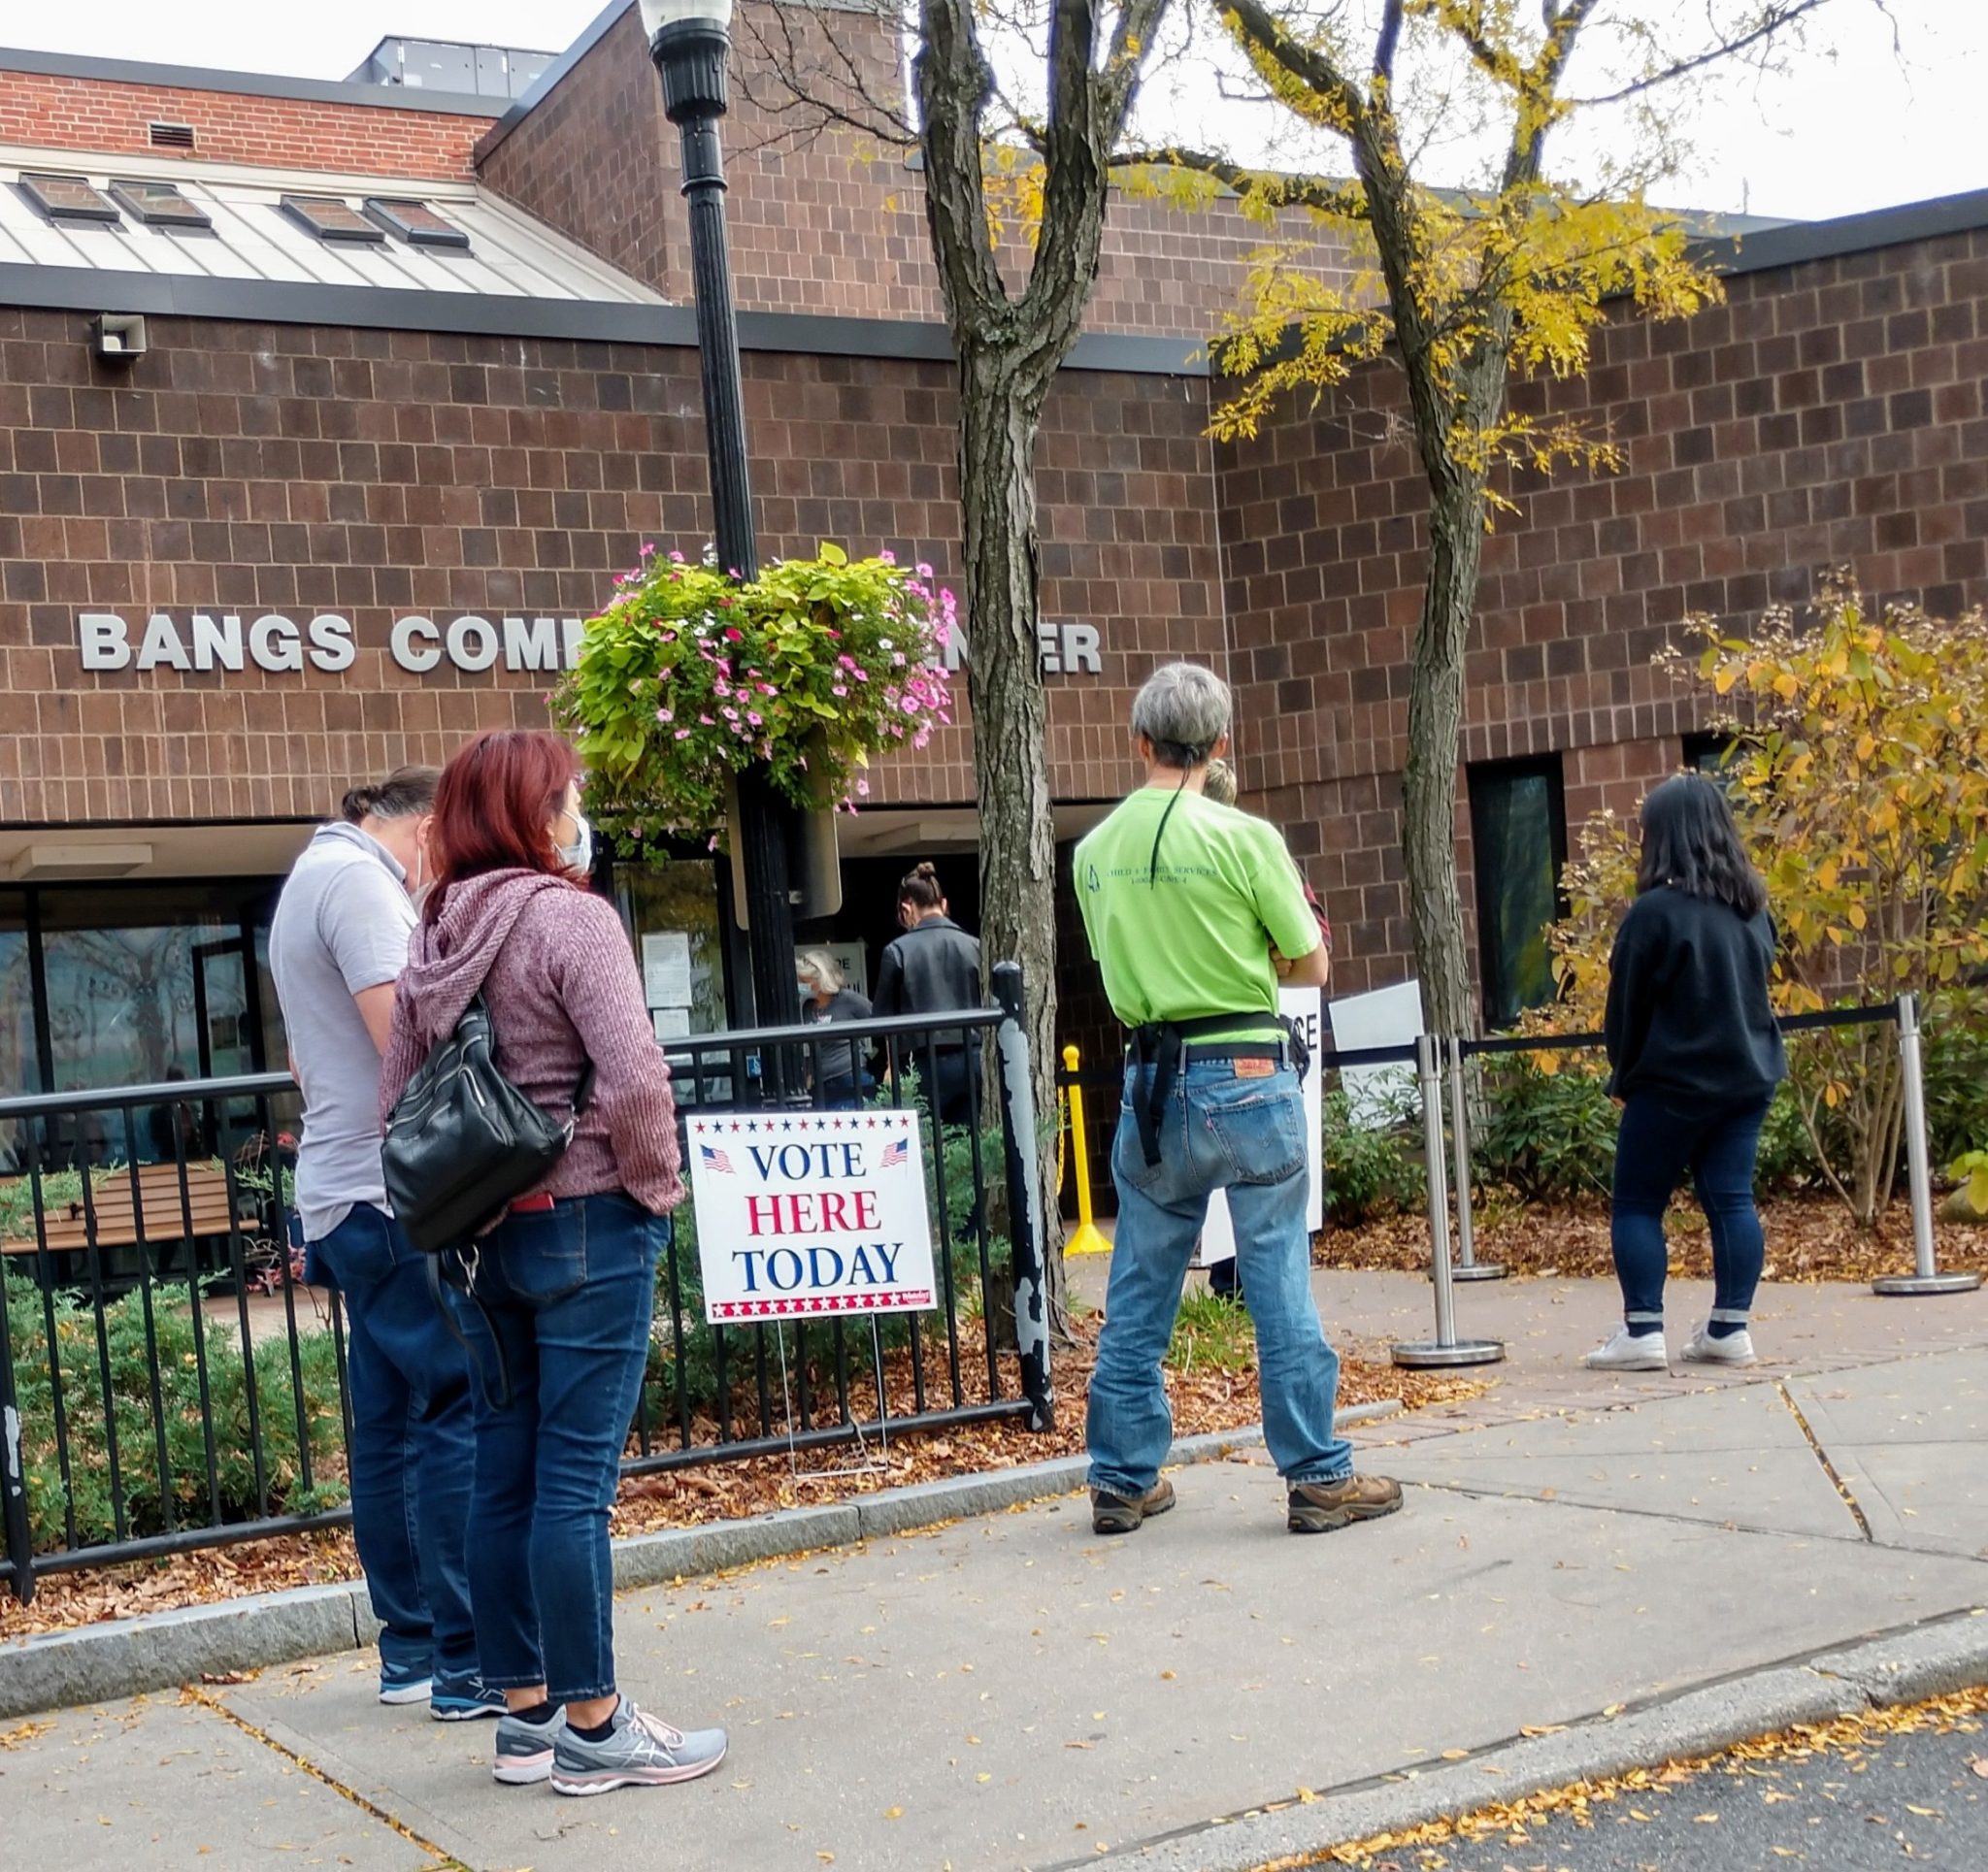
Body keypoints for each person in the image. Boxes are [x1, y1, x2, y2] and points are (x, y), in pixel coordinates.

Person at [377, 729, 726, 1799]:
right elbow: (632, 1079)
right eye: (567, 795)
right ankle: (596, 1723)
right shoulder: (570, 918)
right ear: (535, 816)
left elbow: (397, 1103)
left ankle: (522, 1722)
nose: (579, 810)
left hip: (477, 1240)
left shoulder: (432, 934)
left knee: (504, 1473)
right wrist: (654, 1192)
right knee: (575, 1489)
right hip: (586, 1225)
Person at [1075, 663, 1400, 1538]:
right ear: (1220, 744)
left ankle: (1120, 1476)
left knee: (1139, 1284)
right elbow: (1311, 963)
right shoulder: (1246, 839)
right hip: (1247, 1070)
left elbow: (1111, 971)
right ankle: (1317, 1474)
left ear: (1140, 742)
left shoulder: (1091, 852)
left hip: (1149, 1077)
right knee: (1275, 1279)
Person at [268, 766, 495, 1721]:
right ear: (420, 829)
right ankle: (461, 1657)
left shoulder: (307, 880)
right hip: (388, 1192)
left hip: (346, 1191)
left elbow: (305, 1056)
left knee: (392, 1423)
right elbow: (403, 1035)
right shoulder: (360, 883)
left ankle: (410, 1648)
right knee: (450, 1403)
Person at [1586, 773, 1785, 1372]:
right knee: (1731, 1201)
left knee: (1638, 1204)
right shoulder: (1754, 911)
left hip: (1671, 1084)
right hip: (1747, 1080)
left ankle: (1644, 1330)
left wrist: (1622, 1075)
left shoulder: (1653, 913)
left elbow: (1625, 1009)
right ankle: (1730, 1327)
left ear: (1662, 838)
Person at [872, 862, 982, 1125]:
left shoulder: (897, 950)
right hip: (973, 1058)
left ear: (907, 908)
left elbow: (881, 1020)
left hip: (920, 1064)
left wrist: (890, 1065)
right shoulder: (975, 945)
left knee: (925, 1149)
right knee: (972, 1147)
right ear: (943, 904)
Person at [797, 949, 874, 1105]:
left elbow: (885, 1024)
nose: (802, 984)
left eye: (806, 980)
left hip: (851, 1078)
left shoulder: (849, 1000)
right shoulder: (808, 1007)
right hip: (822, 1084)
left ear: (821, 979)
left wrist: (889, 1068)